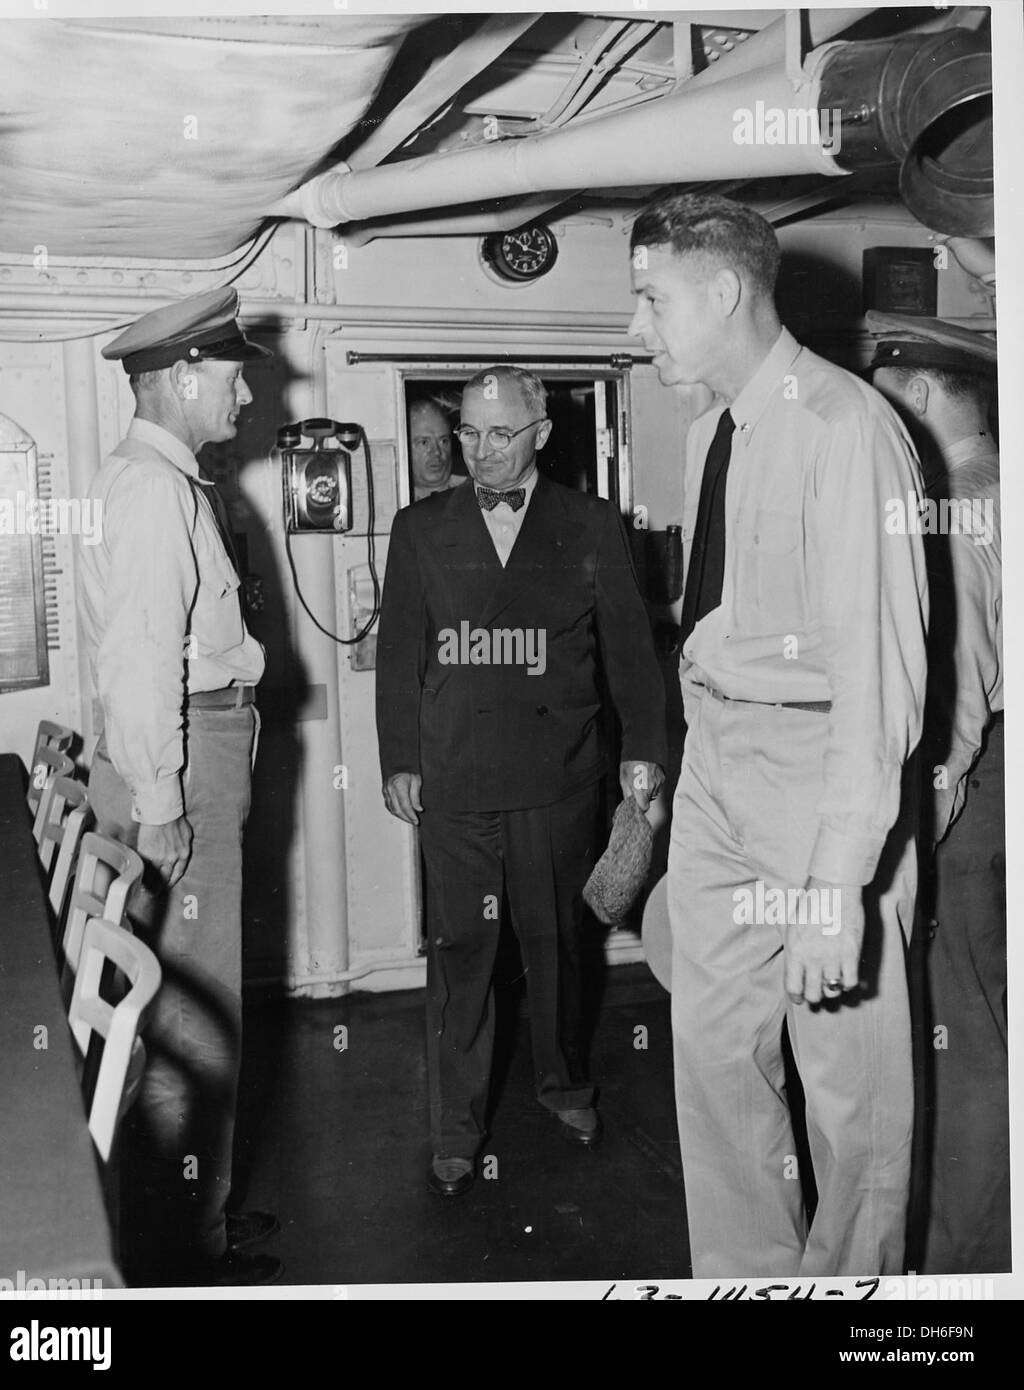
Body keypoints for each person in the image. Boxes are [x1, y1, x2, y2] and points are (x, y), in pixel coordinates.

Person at [629, 193, 928, 1277]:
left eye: (649, 300)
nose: (636, 327)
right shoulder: (717, 425)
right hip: (719, 760)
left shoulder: (843, 428)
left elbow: (877, 674)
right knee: (709, 1056)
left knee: (851, 1097)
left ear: (718, 293)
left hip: (816, 775)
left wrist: (836, 881)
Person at [376, 364, 667, 1196]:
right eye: (467, 432)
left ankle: (564, 1085)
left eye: (499, 433)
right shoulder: (419, 527)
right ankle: (455, 1126)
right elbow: (399, 655)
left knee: (559, 946)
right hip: (456, 779)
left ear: (542, 433)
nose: (479, 451)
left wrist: (642, 750)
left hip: (558, 777)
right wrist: (400, 756)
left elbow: (630, 656)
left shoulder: (592, 523)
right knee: (462, 952)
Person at [77, 286, 281, 1286]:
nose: (246, 390)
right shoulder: (158, 491)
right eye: (233, 372)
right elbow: (146, 657)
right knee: (191, 1004)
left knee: (170, 996)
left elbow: (132, 658)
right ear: (184, 375)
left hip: (174, 755)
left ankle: (183, 1214)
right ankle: (181, 1245)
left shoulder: (142, 480)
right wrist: (160, 803)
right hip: (183, 763)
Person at [870, 311, 1006, 1275]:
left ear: (916, 397)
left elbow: (956, 689)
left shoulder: (950, 512)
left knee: (965, 1029)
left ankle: (964, 1264)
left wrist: (926, 813)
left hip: (983, 795)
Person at [408, 396, 466, 500]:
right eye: (424, 442)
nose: (436, 452)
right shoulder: (395, 497)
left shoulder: (474, 494)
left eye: (443, 441)